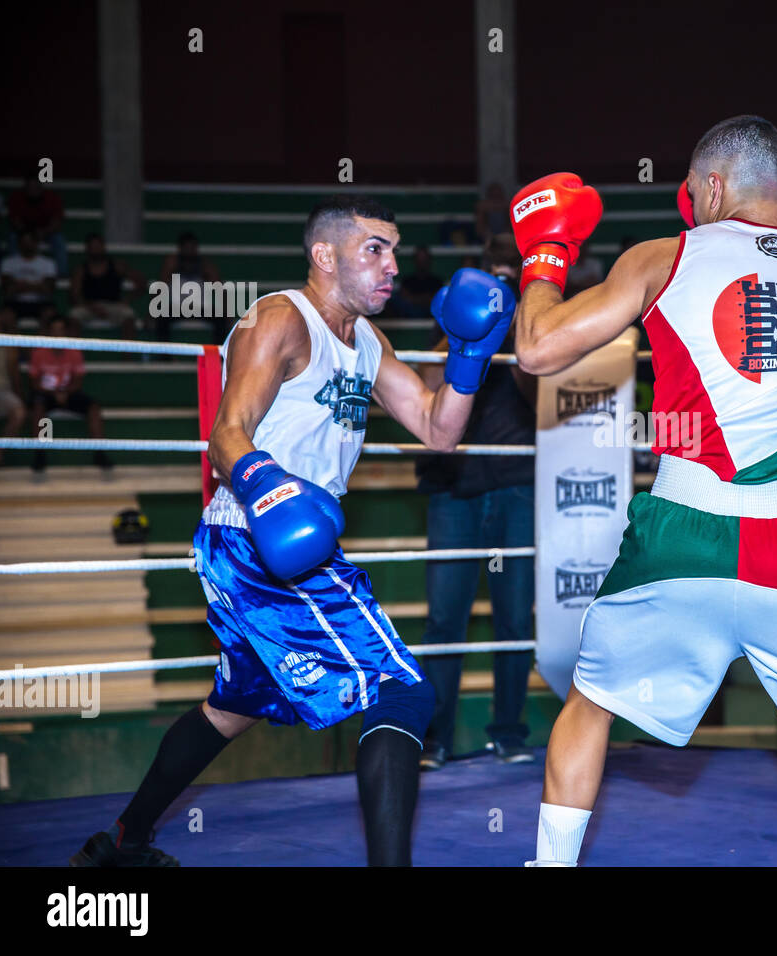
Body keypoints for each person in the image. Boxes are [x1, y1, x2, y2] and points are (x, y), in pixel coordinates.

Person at [511, 115, 777, 867]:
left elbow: (537, 348)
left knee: (591, 704)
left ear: (711, 187)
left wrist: (545, 257)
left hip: (682, 536)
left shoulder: (663, 256)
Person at [69, 196, 515, 867]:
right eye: (374, 249)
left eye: (393, 250)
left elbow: (438, 430)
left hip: (272, 542)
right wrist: (272, 493)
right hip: (260, 534)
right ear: (324, 255)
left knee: (233, 705)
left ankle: (121, 842)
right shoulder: (279, 317)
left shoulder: (369, 341)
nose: (391, 265)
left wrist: (469, 353)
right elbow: (227, 434)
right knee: (403, 688)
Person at [415, 234, 537, 769]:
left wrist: (513, 333)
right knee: (445, 619)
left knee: (514, 618)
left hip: (514, 486)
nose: (500, 288)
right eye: (494, 277)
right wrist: (462, 332)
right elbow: (421, 394)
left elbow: (540, 398)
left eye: (509, 281)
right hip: (454, 490)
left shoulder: (528, 340)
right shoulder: (448, 328)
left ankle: (508, 732)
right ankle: (435, 737)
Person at [27, 314, 112, 476]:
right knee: (38, 410)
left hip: (70, 393)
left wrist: (65, 392)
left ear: (66, 332)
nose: (57, 334)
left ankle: (100, 453)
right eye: (54, 330)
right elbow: (34, 382)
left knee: (94, 408)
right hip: (46, 394)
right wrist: (54, 393)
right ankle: (40, 453)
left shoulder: (74, 351)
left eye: (60, 330)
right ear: (49, 333)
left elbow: (78, 380)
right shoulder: (38, 352)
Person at [68, 233, 143, 339]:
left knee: (129, 317)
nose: (96, 249)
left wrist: (127, 299)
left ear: (103, 247)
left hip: (114, 305)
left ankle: (129, 355)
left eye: (98, 246)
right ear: (87, 249)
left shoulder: (117, 266)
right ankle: (74, 355)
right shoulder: (80, 270)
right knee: (74, 316)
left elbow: (141, 281)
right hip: (88, 306)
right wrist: (92, 307)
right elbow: (74, 295)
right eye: (93, 247)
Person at [157, 231, 223, 341]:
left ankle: (218, 355)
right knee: (161, 317)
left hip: (200, 307)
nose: (190, 251)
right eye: (187, 247)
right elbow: (160, 287)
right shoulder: (172, 263)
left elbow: (220, 288)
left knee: (221, 317)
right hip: (177, 307)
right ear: (180, 248)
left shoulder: (205, 264)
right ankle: (165, 357)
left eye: (192, 247)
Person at [7, 172, 67, 276]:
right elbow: (15, 221)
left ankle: (61, 274)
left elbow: (57, 222)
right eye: (30, 187)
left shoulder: (52, 197)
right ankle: (12, 272)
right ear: (25, 187)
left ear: (41, 187)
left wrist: (44, 232)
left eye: (36, 186)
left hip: (46, 232)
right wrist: (28, 235)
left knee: (59, 239)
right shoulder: (17, 197)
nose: (33, 190)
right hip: (24, 232)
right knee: (12, 238)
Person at [0, 230, 57, 327]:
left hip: (40, 303)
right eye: (24, 242)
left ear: (36, 243)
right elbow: (7, 289)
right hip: (15, 302)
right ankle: (10, 342)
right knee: (5, 315)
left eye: (30, 241)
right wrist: (37, 285)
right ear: (19, 243)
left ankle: (43, 343)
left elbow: (48, 289)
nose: (27, 245)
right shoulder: (8, 262)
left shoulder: (48, 263)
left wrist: (20, 285)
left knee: (50, 314)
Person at [0, 311, 25, 467]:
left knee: (19, 412)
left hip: (3, 391)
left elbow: (15, 374)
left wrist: (20, 395)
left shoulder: (9, 345)